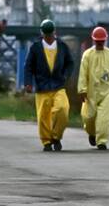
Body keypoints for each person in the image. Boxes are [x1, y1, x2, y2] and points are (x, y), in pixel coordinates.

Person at [23, 19, 73, 152]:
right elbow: (28, 66)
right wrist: (28, 83)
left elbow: (70, 62)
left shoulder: (62, 46)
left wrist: (66, 75)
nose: (49, 37)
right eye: (46, 35)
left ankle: (56, 137)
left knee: (63, 109)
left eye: (50, 34)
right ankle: (46, 142)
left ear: (54, 32)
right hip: (42, 87)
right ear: (42, 33)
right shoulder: (35, 47)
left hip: (58, 85)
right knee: (43, 116)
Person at [78, 26, 109, 150]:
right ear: (93, 40)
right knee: (89, 117)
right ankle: (92, 134)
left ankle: (102, 141)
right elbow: (83, 73)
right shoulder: (87, 55)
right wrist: (82, 90)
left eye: (102, 41)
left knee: (105, 118)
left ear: (105, 40)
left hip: (107, 92)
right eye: (98, 41)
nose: (100, 43)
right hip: (91, 92)